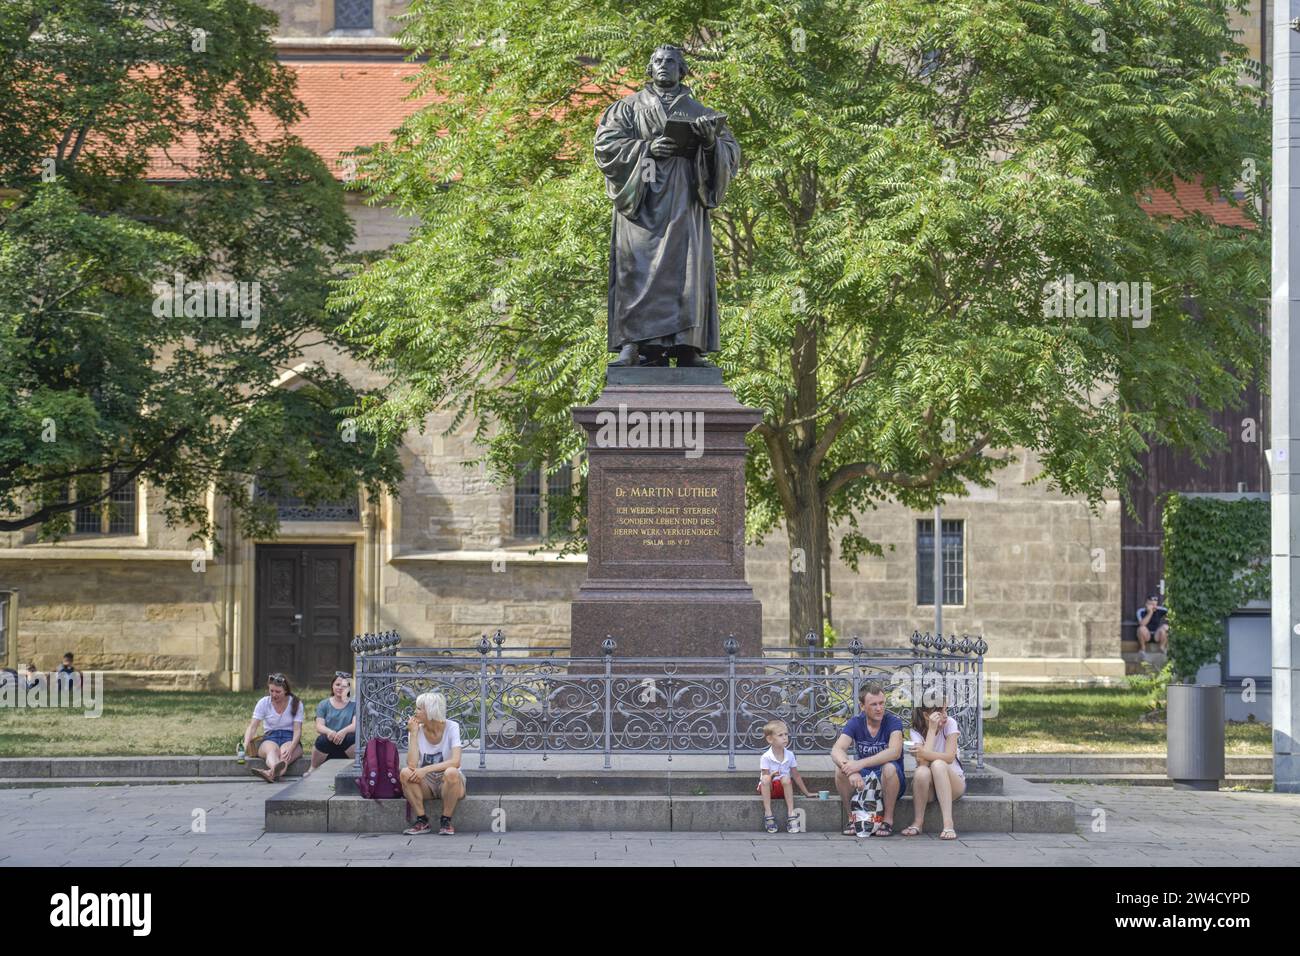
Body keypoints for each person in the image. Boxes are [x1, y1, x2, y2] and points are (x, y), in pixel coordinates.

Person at [593, 44, 741, 368]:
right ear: (649, 69)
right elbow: (605, 147)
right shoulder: (627, 109)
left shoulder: (702, 114)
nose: (663, 66)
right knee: (636, 270)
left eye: (671, 61)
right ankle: (632, 345)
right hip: (641, 207)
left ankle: (687, 346)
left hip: (683, 205)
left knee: (685, 273)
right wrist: (646, 148)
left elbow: (731, 155)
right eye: (657, 61)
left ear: (682, 70)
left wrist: (710, 143)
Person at [831, 682, 906, 837]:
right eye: (873, 704)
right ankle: (852, 818)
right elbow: (837, 750)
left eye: (881, 703)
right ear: (862, 706)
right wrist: (850, 770)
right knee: (839, 768)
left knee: (890, 767)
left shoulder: (893, 722)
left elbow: (894, 752)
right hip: (863, 781)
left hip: (890, 780)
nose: (879, 708)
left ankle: (887, 820)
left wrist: (858, 764)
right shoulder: (856, 722)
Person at [400, 692, 465, 836]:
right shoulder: (415, 729)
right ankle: (422, 820)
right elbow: (411, 764)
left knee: (451, 772)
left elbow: (456, 761)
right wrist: (414, 734)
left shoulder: (452, 727)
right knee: (405, 772)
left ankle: (446, 820)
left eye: (419, 708)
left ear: (430, 710)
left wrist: (426, 769)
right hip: (427, 784)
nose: (415, 711)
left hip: (449, 782)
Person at [901, 701, 966, 840]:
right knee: (921, 772)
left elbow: (949, 757)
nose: (945, 716)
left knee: (938, 764)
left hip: (954, 784)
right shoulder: (916, 731)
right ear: (926, 715)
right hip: (929, 791)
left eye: (945, 710)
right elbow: (923, 764)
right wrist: (931, 730)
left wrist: (923, 753)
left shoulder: (950, 724)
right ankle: (918, 822)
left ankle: (948, 824)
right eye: (940, 713)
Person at [241, 673, 305, 782]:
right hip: (270, 737)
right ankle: (274, 772)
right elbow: (252, 727)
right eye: (271, 691)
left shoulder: (296, 703)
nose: (274, 695)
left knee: (284, 756)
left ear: (285, 690)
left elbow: (297, 730)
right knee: (272, 752)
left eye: (278, 692)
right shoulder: (264, 703)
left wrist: (291, 748)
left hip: (290, 738)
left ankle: (269, 773)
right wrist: (245, 745)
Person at [757, 719, 814, 833]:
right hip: (769, 788)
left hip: (784, 788)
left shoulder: (790, 755)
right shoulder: (766, 757)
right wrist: (772, 775)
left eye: (786, 734)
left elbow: (796, 775)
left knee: (787, 778)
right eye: (780, 735)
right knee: (766, 778)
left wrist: (806, 793)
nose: (785, 738)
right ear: (770, 739)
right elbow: (765, 778)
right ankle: (768, 814)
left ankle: (791, 814)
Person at [307, 672, 356, 774]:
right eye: (337, 685)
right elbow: (319, 726)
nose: (340, 688)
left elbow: (355, 725)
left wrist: (343, 732)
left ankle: (359, 769)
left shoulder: (354, 704)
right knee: (321, 740)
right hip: (328, 743)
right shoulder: (324, 704)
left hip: (347, 743)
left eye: (344, 686)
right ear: (332, 686)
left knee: (352, 738)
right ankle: (312, 769)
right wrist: (329, 732)